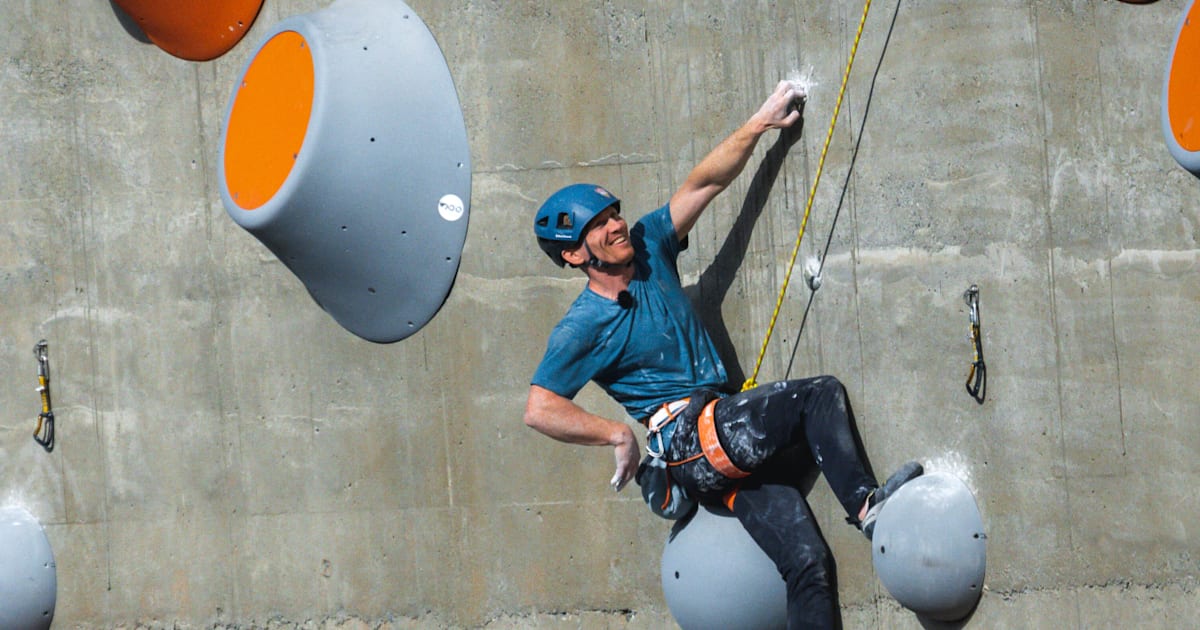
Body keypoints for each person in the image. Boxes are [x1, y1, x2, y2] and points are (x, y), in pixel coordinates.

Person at [524, 80, 922, 629]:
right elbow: (540, 407)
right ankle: (868, 509)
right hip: (689, 439)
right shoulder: (581, 326)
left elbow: (705, 182)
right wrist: (616, 435)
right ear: (574, 253)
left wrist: (760, 122)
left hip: (721, 436)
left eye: (613, 213)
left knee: (809, 563)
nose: (615, 225)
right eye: (598, 226)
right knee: (816, 396)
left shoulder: (649, 248)